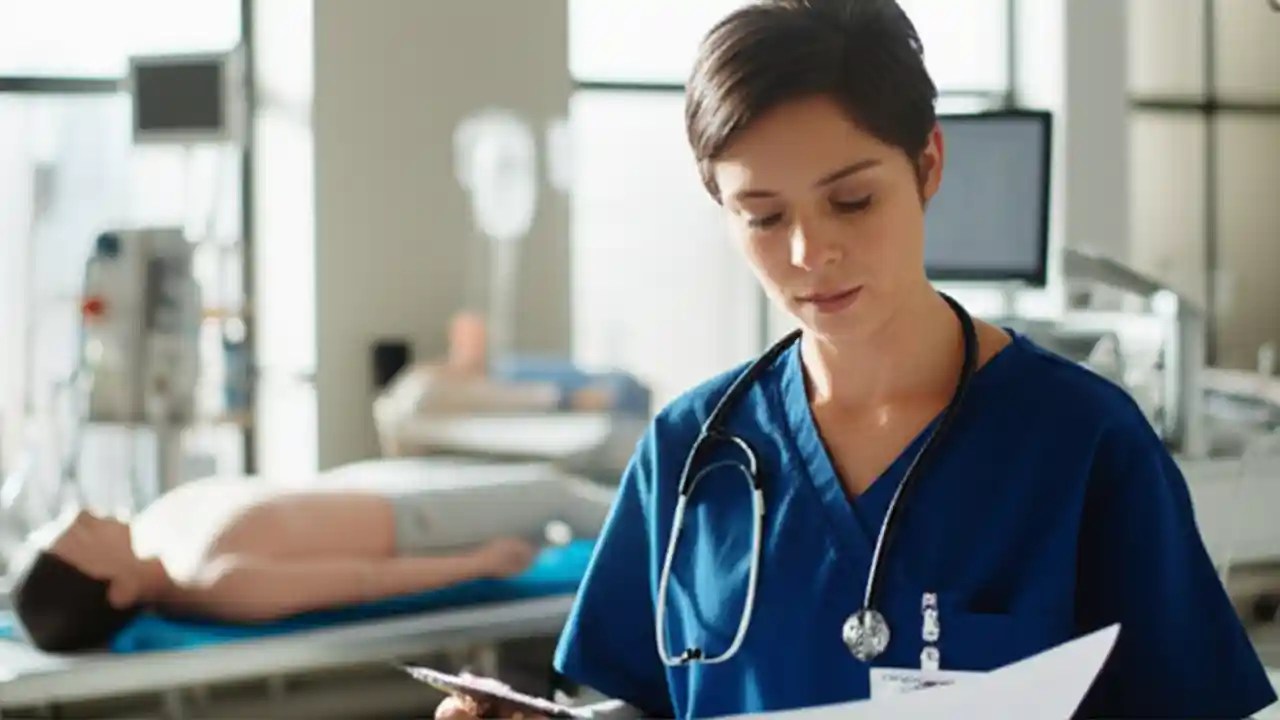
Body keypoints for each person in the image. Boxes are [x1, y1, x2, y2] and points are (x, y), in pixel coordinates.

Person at [436, 1, 1278, 718]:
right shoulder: (689, 452)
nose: (811, 252)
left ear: (928, 165)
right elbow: (647, 702)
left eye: (852, 200)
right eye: (764, 217)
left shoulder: (1081, 444)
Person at [10, 458, 614, 651]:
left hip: (373, 487)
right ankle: (669, 537)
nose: (83, 516)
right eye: (79, 536)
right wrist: (475, 565)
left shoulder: (157, 540)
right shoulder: (220, 585)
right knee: (554, 494)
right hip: (416, 522)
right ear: (117, 589)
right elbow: (362, 580)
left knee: (555, 489)